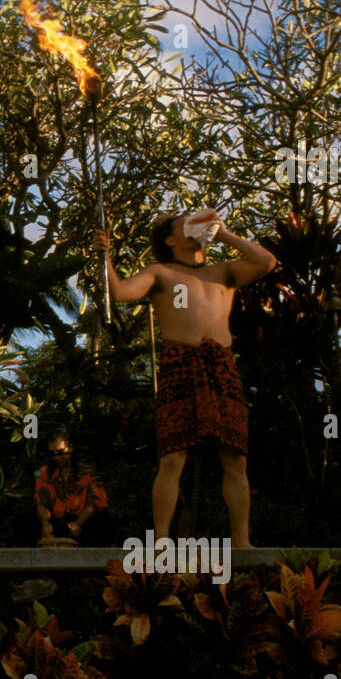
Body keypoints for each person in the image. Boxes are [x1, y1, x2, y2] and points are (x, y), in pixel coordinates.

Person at [95, 209, 275, 548]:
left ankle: (242, 541)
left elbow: (266, 262)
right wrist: (104, 255)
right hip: (180, 362)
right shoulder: (159, 272)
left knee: (235, 456)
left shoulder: (223, 272)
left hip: (220, 363)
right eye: (183, 224)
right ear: (170, 240)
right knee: (173, 456)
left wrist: (221, 234)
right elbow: (118, 292)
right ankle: (162, 540)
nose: (193, 225)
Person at [34, 429, 109, 545]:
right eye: (52, 454)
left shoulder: (87, 472)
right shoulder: (44, 472)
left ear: (71, 448)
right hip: (58, 522)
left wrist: (78, 523)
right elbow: (41, 503)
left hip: (84, 520)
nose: (57, 457)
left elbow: (93, 504)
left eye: (61, 452)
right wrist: (45, 524)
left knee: (102, 524)